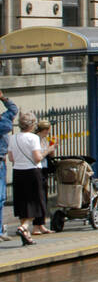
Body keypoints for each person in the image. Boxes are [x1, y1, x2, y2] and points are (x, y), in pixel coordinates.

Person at [7, 111, 47, 245]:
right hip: (32, 172)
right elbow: (37, 158)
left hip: (18, 172)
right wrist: (47, 151)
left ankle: (27, 235)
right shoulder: (33, 138)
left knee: (22, 202)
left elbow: (11, 158)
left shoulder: (13, 138)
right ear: (32, 125)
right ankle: (24, 227)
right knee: (35, 202)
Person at [33, 120, 58, 234]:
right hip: (38, 169)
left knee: (44, 196)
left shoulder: (43, 139)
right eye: (48, 130)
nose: (49, 132)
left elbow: (49, 155)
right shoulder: (35, 139)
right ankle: (36, 225)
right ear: (45, 130)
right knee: (40, 197)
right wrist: (48, 150)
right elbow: (39, 155)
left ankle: (41, 224)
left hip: (44, 168)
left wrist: (52, 148)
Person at [0, 89, 19, 240]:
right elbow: (7, 126)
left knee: (1, 198)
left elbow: (14, 110)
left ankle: (0, 230)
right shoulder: (2, 122)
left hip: (2, 161)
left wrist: (3, 98)